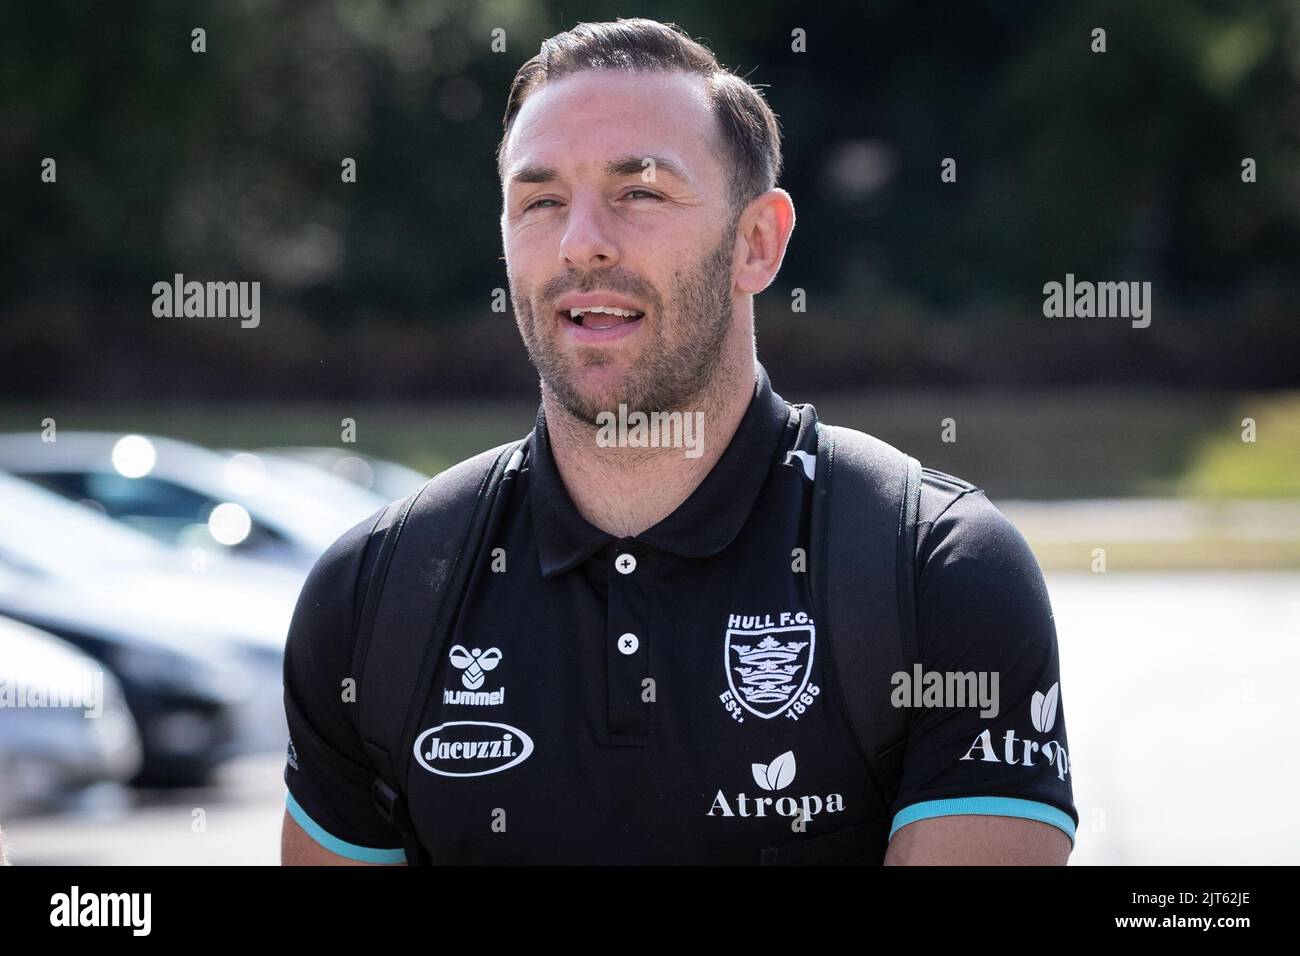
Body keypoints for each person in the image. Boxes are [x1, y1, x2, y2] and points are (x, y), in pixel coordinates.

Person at [281, 18, 1076, 865]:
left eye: (641, 192)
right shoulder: (373, 592)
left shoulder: (938, 571)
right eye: (540, 200)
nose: (581, 240)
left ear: (758, 241)